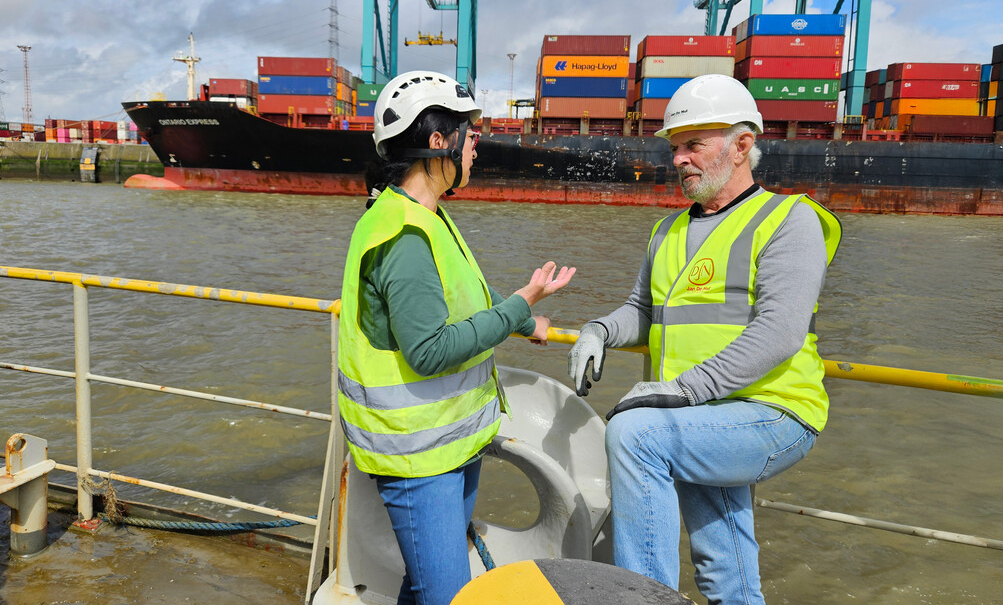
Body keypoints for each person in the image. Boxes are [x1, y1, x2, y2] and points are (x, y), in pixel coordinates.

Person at [567, 74, 842, 605]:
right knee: (724, 564)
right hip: (700, 416)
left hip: (773, 412)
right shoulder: (667, 230)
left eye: (694, 144)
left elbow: (780, 333)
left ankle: (642, 600)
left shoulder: (789, 220)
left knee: (635, 435)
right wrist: (599, 331)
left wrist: (683, 391)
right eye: (674, 147)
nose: (679, 159)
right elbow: (643, 312)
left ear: (742, 146)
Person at [338, 70, 575, 605]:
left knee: (424, 583)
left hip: (451, 440)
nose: (477, 147)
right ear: (437, 142)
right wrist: (522, 303)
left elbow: (460, 302)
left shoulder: (427, 216)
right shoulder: (403, 235)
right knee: (445, 593)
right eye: (470, 134)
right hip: (420, 457)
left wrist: (521, 319)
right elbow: (429, 350)